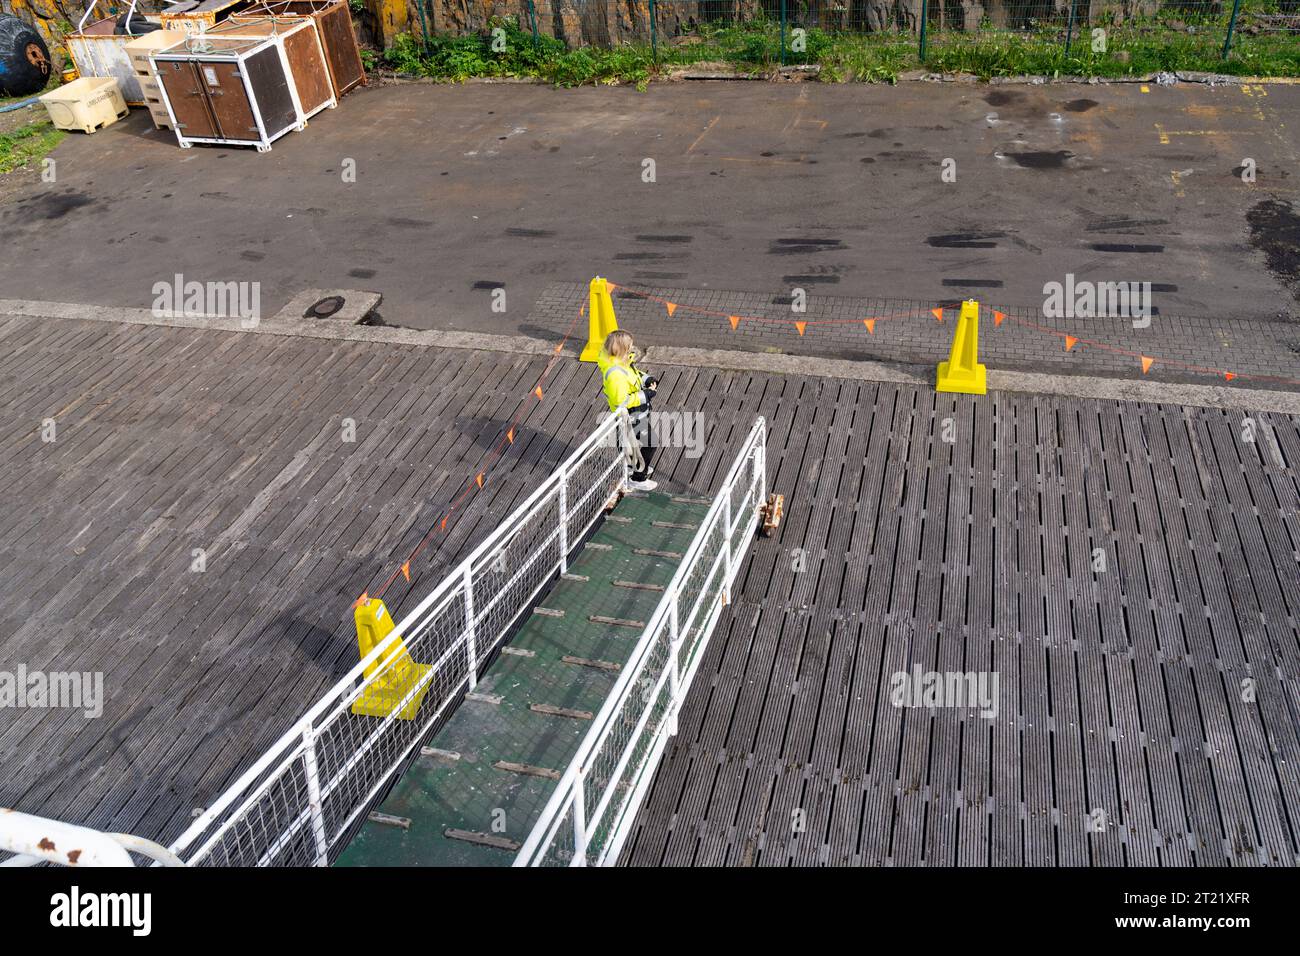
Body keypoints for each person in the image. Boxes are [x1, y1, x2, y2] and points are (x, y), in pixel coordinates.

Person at [597, 329, 659, 491]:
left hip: (635, 414)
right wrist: (646, 395)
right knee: (650, 443)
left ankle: (636, 466)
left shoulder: (619, 361)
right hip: (631, 415)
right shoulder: (615, 373)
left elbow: (633, 373)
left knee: (632, 442)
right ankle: (638, 478)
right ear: (621, 349)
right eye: (630, 345)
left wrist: (647, 379)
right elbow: (621, 401)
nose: (633, 347)